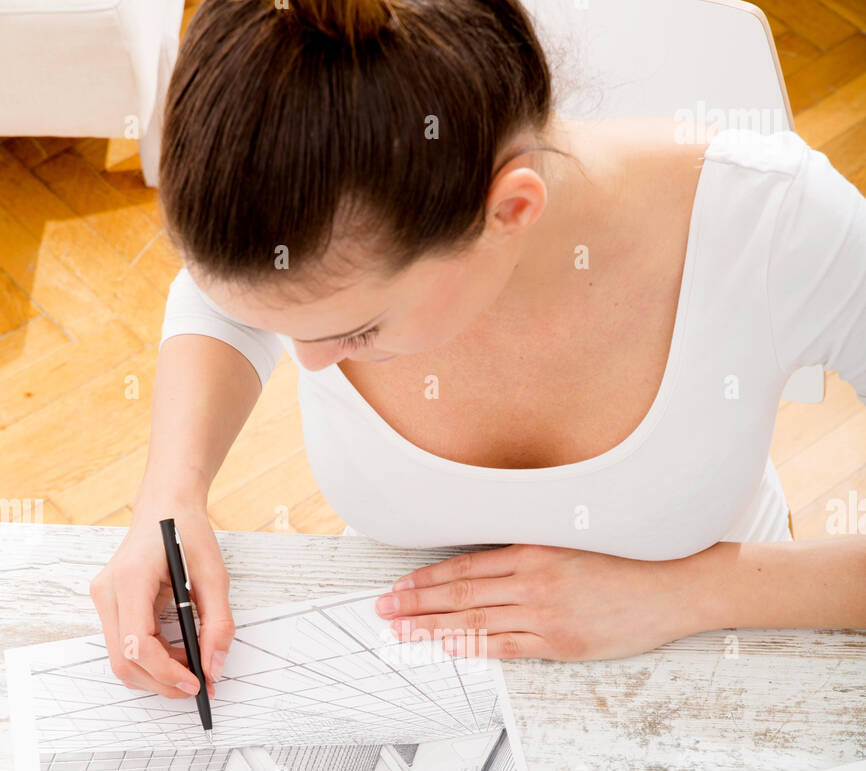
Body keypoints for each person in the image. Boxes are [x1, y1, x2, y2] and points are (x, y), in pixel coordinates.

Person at [89, 0, 866, 698]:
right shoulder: (314, 252)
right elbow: (229, 300)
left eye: (357, 331)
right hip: (423, 684)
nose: (314, 363)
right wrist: (172, 493)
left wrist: (689, 593)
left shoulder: (780, 223)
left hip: (729, 676)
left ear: (511, 209)